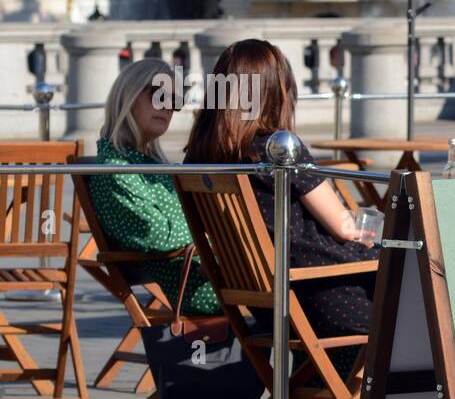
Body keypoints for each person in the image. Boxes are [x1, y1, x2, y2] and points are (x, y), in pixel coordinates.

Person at [185, 39, 374, 339]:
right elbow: (343, 227)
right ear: (276, 92)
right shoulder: (280, 149)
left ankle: (321, 381)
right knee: (424, 289)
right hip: (325, 296)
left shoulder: (195, 159)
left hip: (264, 304)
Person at [89, 58, 220, 315]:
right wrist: (220, 239)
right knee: (295, 294)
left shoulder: (150, 165)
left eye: (174, 100)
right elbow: (156, 233)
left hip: (213, 274)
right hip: (200, 287)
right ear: (128, 95)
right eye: (158, 94)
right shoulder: (115, 170)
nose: (167, 107)